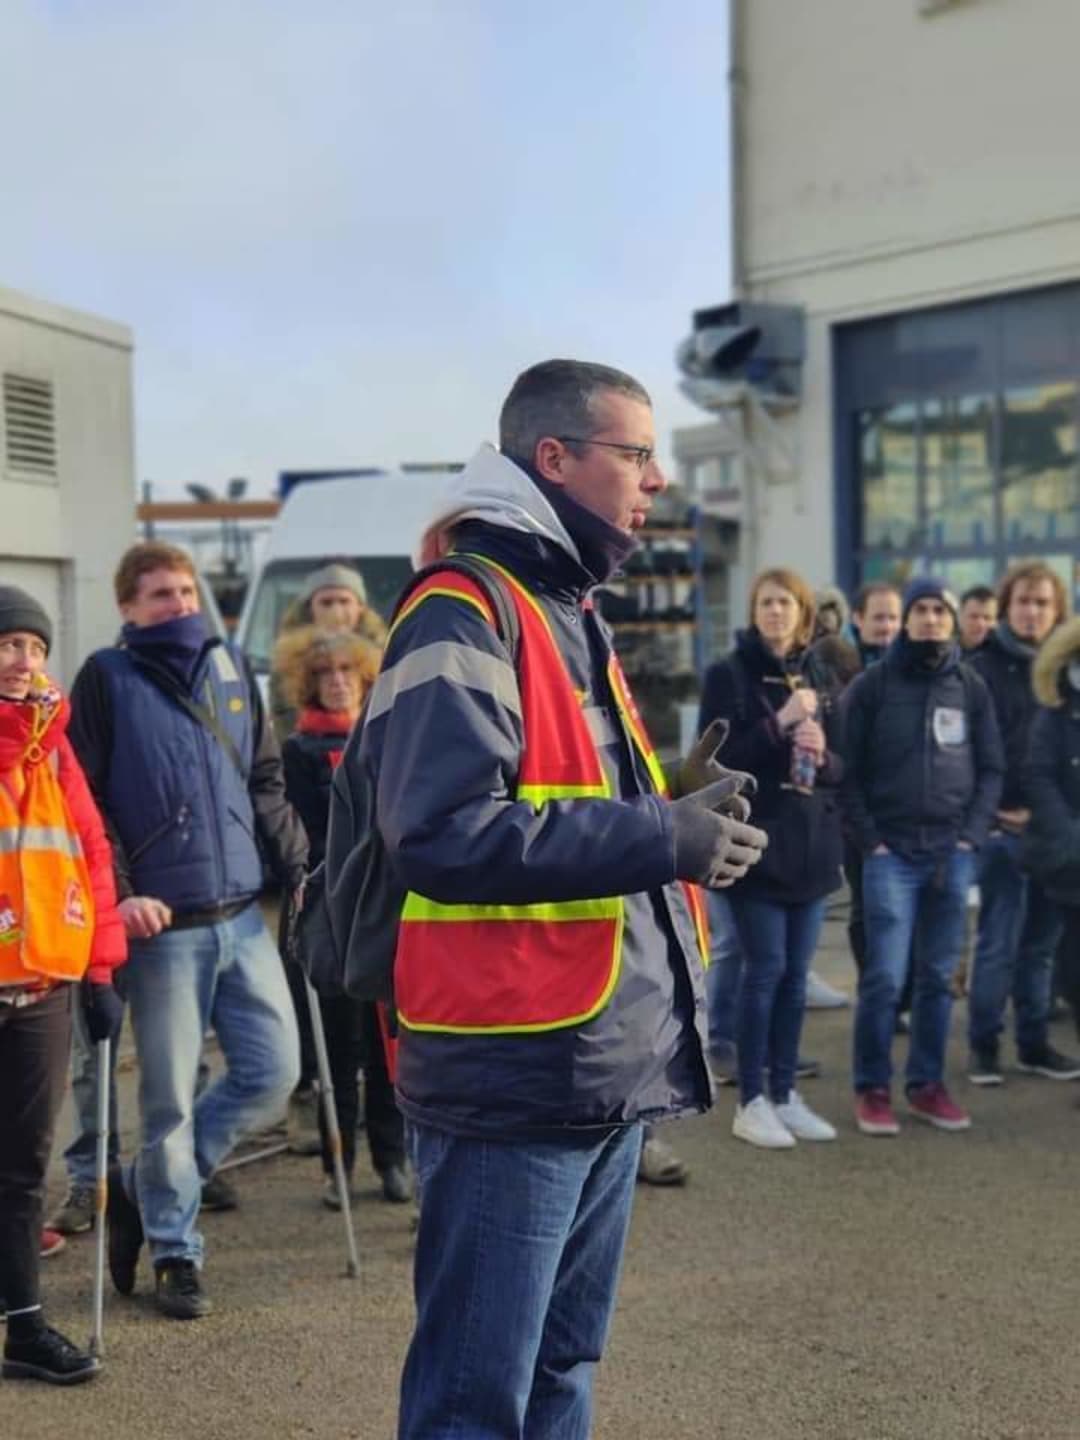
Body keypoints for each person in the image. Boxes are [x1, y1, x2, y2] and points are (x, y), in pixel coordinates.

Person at [348, 359, 766, 1437]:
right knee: (476, 1400)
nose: (658, 479)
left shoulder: (566, 606)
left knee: (561, 1368)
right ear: (554, 458)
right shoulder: (465, 609)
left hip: (592, 1058)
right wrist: (663, 833)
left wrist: (671, 797)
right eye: (637, 454)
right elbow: (443, 834)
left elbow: (561, 804)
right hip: (516, 1071)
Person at [68, 542, 307, 1320]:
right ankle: (176, 1251)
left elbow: (264, 778)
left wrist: (298, 863)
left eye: (184, 591)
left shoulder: (231, 667)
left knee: (273, 1072)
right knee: (168, 1100)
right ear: (128, 608)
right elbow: (87, 802)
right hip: (163, 927)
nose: (178, 604)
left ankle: (142, 1188)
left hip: (241, 914)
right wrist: (121, 895)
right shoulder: (108, 679)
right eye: (160, 594)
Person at [0, 587, 125, 1384]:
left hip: (42, 985)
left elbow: (90, 853)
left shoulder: (54, 745)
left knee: (23, 1168)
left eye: (37, 647)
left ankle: (24, 1328)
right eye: (10, 644)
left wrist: (102, 969)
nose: (26, 661)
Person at [842, 578, 1003, 1136]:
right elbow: (846, 772)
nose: (931, 618)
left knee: (937, 978)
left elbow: (992, 768)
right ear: (907, 620)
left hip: (951, 853)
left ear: (951, 621)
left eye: (940, 610)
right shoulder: (872, 686)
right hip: (891, 855)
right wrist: (872, 841)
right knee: (885, 978)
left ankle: (927, 1085)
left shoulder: (970, 687)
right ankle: (872, 1088)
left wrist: (971, 836)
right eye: (921, 610)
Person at [698, 569, 843, 1148]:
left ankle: (785, 1093)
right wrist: (779, 724)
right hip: (756, 848)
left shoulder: (819, 674)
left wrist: (823, 754)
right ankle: (752, 1099)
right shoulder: (728, 674)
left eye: (786, 602)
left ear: (803, 612)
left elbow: (844, 769)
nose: (775, 611)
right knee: (765, 972)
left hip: (812, 848)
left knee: (794, 980)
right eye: (766, 602)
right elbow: (714, 763)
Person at [275, 625, 412, 1205]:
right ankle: (339, 1165)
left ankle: (391, 1157)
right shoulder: (297, 750)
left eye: (346, 672)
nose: (337, 683)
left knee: (387, 1046)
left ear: (365, 677)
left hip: (383, 905)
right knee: (337, 1045)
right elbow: (303, 831)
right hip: (330, 907)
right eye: (325, 675)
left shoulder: (386, 737)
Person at [272, 561, 390, 1150]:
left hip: (382, 890)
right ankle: (323, 1118)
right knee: (325, 1020)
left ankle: (390, 1147)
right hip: (323, 887)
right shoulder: (294, 718)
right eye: (326, 601)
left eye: (346, 600)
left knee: (384, 1031)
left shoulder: (388, 686)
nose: (337, 612)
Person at [967, 561, 1080, 1083]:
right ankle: (985, 1047)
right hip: (1002, 829)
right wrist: (991, 811)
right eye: (1023, 602)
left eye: (1042, 603)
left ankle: (1033, 1045)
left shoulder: (1066, 672)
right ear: (1006, 607)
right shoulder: (980, 669)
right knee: (997, 944)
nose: (1032, 612)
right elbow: (970, 753)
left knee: (1041, 948)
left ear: (1057, 611)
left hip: (1055, 836)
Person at [1026, 618, 1080, 1041]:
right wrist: (1071, 836)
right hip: (1072, 864)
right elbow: (1039, 777)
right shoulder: (1055, 716)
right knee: (1074, 970)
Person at [959, 585, 998, 655]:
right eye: (974, 616)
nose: (980, 624)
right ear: (960, 617)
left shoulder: (1007, 657)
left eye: (987, 618)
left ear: (997, 621)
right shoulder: (944, 655)